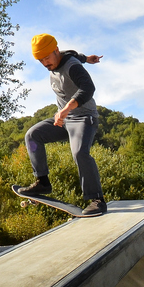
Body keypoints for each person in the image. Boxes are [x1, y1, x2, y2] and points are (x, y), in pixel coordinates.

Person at [20, 34, 107, 216]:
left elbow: (88, 88)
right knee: (33, 135)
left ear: (56, 51)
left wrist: (66, 108)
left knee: (80, 153)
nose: (45, 63)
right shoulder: (66, 56)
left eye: (47, 58)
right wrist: (88, 59)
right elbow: (76, 54)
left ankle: (97, 199)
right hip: (64, 120)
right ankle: (42, 182)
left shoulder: (72, 67)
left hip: (84, 118)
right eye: (41, 60)